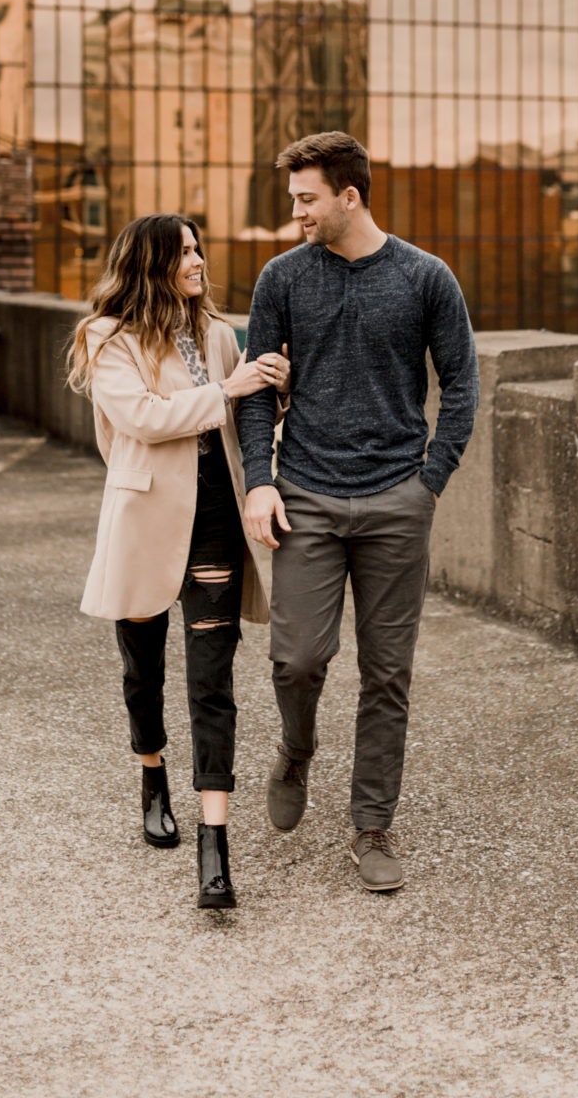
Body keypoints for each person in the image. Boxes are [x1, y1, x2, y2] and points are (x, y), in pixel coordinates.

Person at [237, 132, 479, 893]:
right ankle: (297, 748)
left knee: (387, 674)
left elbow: (462, 387)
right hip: (304, 492)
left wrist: (428, 483)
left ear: (350, 196)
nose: (296, 213)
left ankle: (371, 825)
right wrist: (259, 479)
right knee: (298, 657)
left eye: (306, 199)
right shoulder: (281, 278)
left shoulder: (424, 278)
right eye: (292, 200)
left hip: (395, 501)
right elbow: (252, 388)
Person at [68, 214, 290, 909]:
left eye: (199, 248)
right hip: (141, 518)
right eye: (186, 251)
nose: (199, 260)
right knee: (142, 664)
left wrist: (272, 390)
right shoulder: (109, 339)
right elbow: (143, 418)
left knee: (212, 678)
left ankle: (214, 846)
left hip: (216, 518)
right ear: (153, 263)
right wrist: (229, 389)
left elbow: (234, 421)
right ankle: (151, 772)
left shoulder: (219, 334)